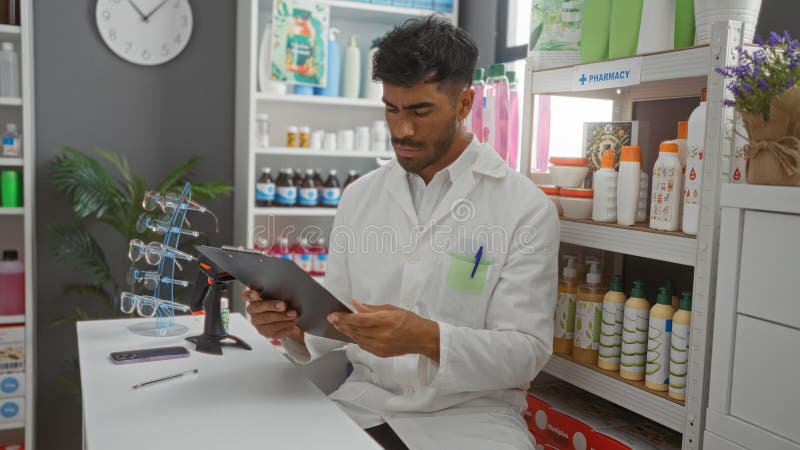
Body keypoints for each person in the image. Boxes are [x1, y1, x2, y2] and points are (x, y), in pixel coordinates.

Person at [242, 16, 559, 450]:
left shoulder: (524, 208)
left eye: (420, 111)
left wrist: (428, 338)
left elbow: (526, 353)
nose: (401, 130)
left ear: (464, 103)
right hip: (364, 405)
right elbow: (336, 331)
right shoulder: (360, 198)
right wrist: (291, 329)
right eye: (392, 109)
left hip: (471, 421)